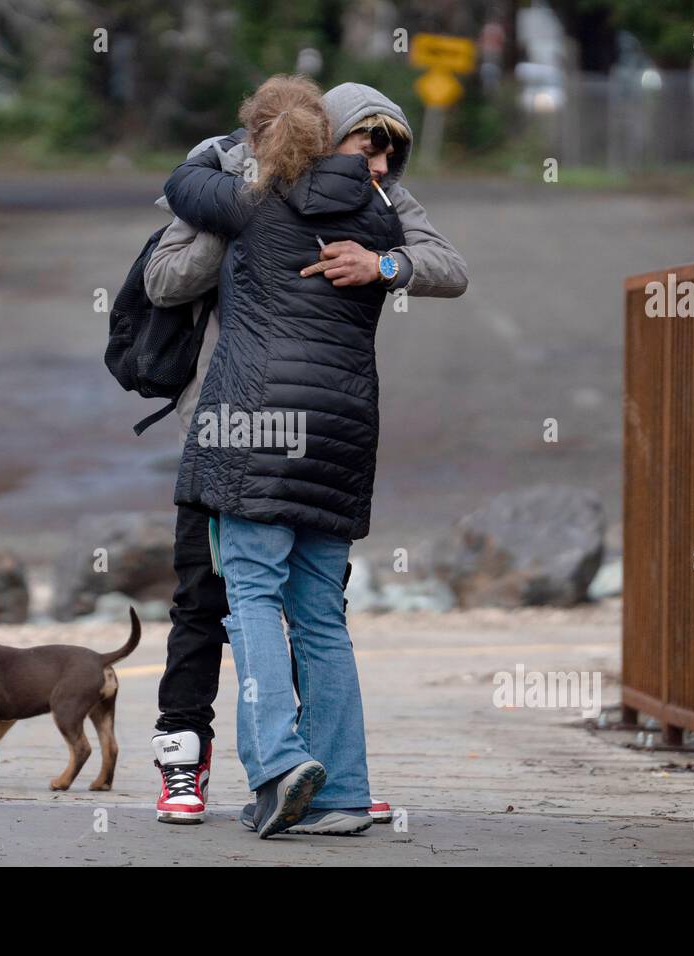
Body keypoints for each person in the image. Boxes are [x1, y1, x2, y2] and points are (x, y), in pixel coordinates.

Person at [148, 81, 468, 830]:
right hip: (343, 431)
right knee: (321, 614)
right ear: (333, 138)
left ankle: (280, 764)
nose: (382, 161)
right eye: (372, 144)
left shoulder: (251, 198)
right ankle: (345, 794)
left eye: (391, 149)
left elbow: (181, 183)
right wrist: (386, 265)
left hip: (254, 425)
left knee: (249, 595)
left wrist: (239, 150)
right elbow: (449, 267)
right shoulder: (379, 217)